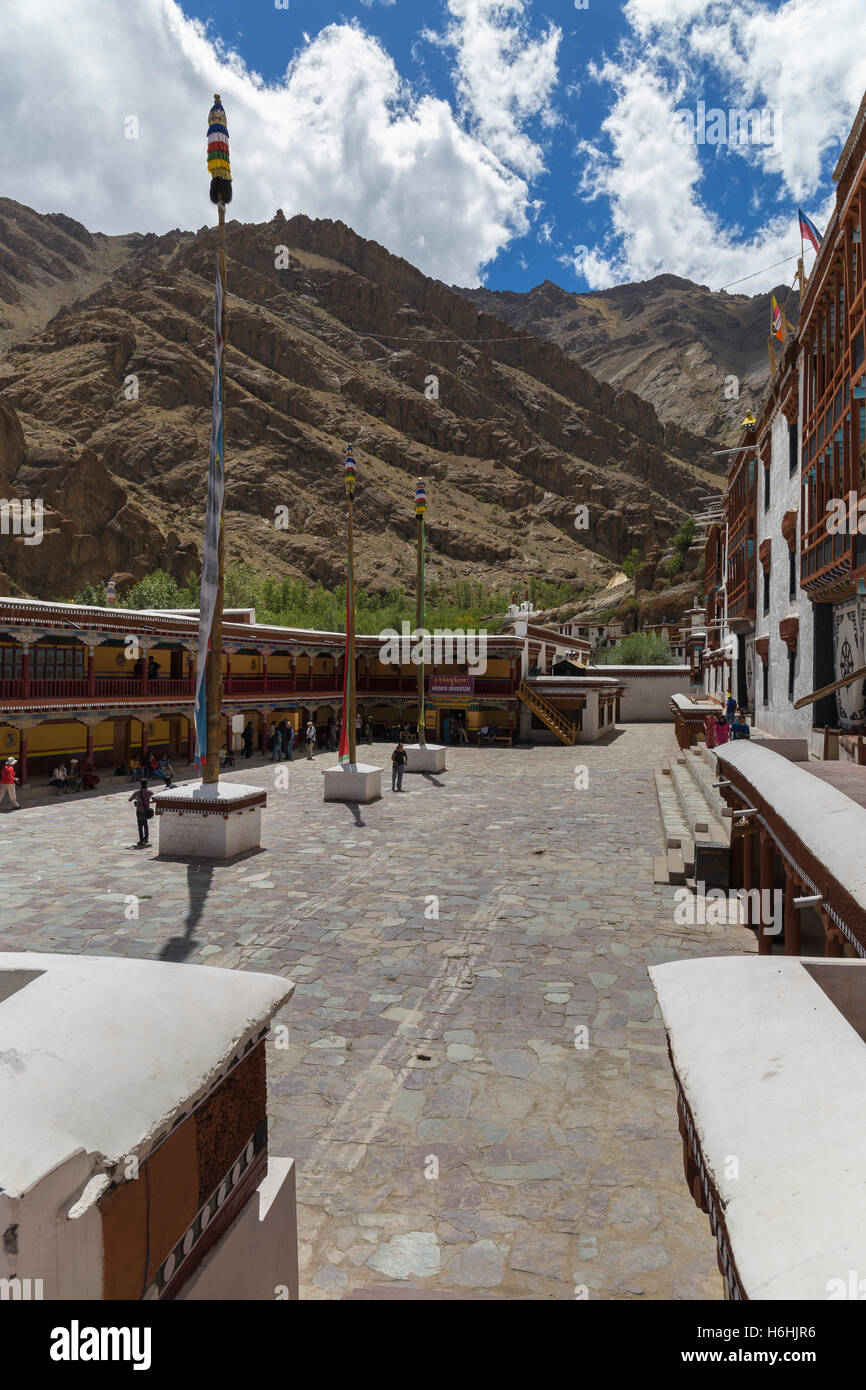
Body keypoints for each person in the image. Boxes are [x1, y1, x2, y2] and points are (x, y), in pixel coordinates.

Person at [129, 778, 153, 846]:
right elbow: (154, 799)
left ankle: (141, 840)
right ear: (147, 784)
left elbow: (130, 799)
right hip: (146, 810)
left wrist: (137, 799)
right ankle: (146, 838)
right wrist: (148, 802)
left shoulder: (137, 792)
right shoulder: (150, 792)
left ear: (140, 784)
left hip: (139, 810)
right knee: (145, 825)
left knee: (140, 826)